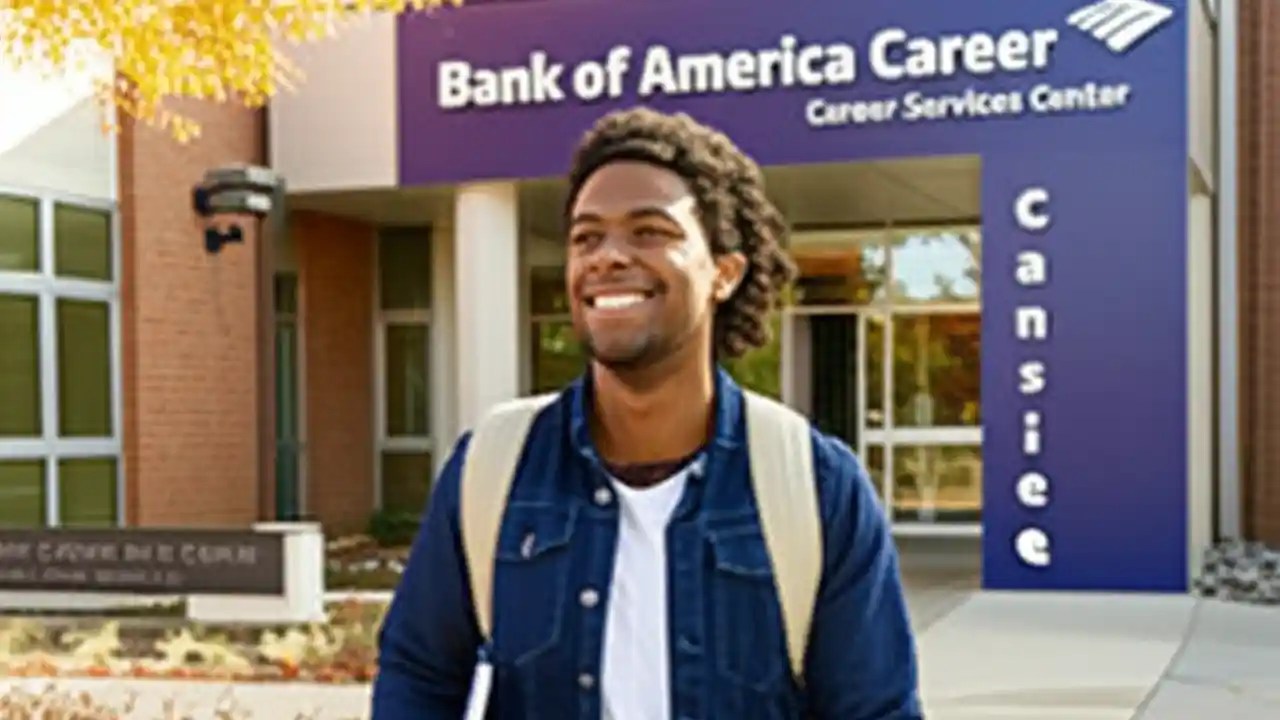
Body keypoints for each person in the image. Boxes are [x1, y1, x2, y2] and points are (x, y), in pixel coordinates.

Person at [371, 106, 924, 719]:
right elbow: (417, 674)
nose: (607, 256)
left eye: (649, 231)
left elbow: (876, 710)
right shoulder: (494, 468)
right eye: (586, 237)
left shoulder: (813, 487)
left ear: (724, 273)